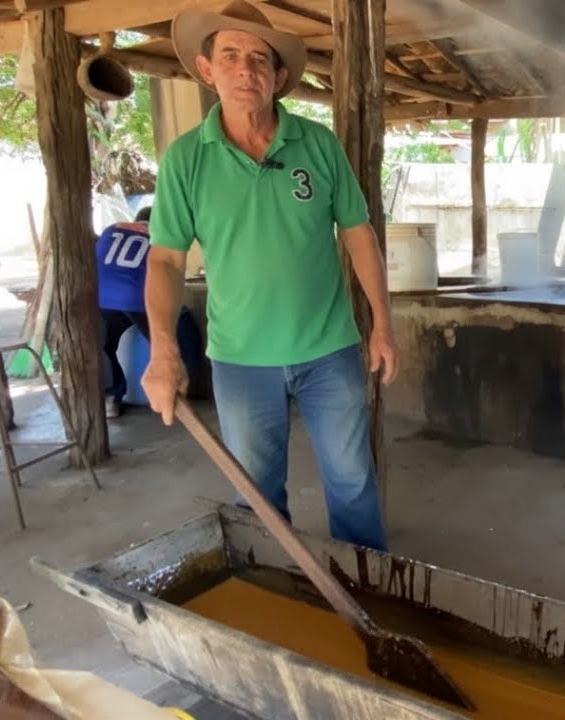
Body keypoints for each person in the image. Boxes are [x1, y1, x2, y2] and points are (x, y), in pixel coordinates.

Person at [141, 0, 398, 552]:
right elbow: (164, 259)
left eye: (259, 59)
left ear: (278, 77)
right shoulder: (187, 160)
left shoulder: (319, 145)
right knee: (256, 495)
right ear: (207, 69)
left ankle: (370, 593)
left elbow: (358, 232)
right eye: (230, 55)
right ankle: (278, 595)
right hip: (240, 360)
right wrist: (164, 349)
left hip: (330, 349)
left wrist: (382, 322)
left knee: (353, 483)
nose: (245, 69)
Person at [96, 206, 153, 419]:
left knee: (105, 347)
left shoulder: (112, 229)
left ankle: (111, 399)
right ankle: (174, 395)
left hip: (101, 296)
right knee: (164, 343)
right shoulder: (159, 235)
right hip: (136, 297)